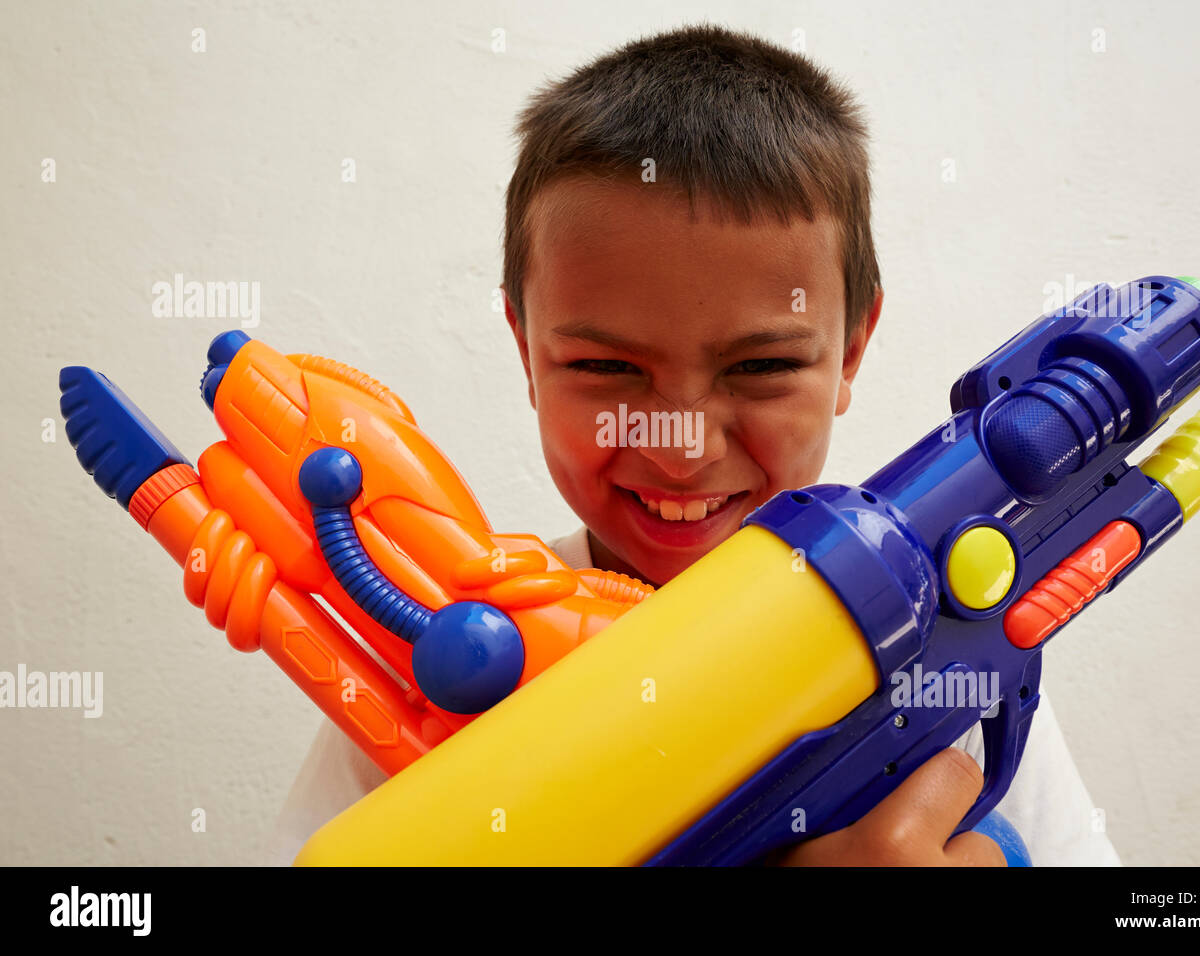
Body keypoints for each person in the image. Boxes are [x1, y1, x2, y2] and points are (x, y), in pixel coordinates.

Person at [271, 22, 1121, 867]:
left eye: (762, 366)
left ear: (851, 350)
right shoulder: (436, 674)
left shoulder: (959, 671)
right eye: (606, 365)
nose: (680, 448)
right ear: (526, 349)